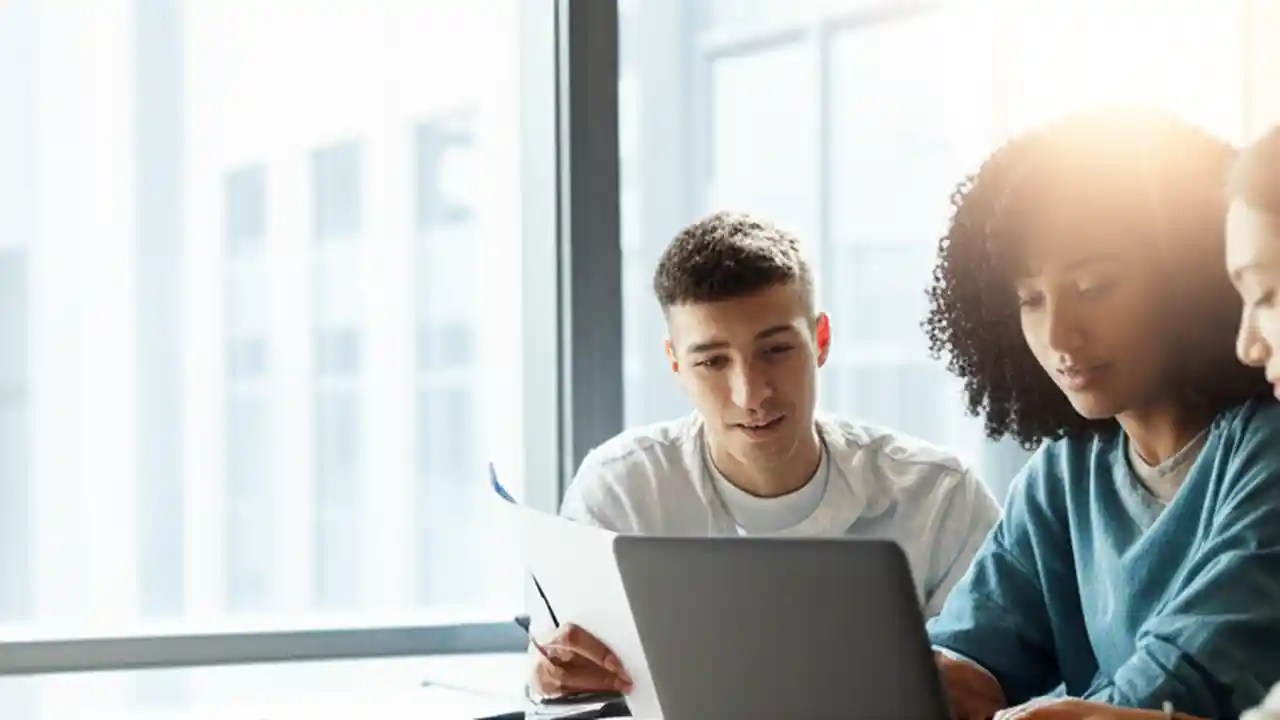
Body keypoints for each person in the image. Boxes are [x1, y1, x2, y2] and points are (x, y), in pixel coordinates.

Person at [529, 211, 1001, 700]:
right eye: (713, 361)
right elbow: (565, 672)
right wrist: (551, 677)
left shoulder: (941, 497)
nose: (751, 394)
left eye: (776, 350)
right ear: (674, 363)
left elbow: (1007, 681)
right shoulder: (619, 492)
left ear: (820, 341)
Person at [921, 108, 1280, 720]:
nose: (1059, 333)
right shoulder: (1063, 475)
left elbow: (1188, 678)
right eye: (1031, 300)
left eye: (1093, 287)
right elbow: (975, 649)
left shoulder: (1264, 449)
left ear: (1185, 280)